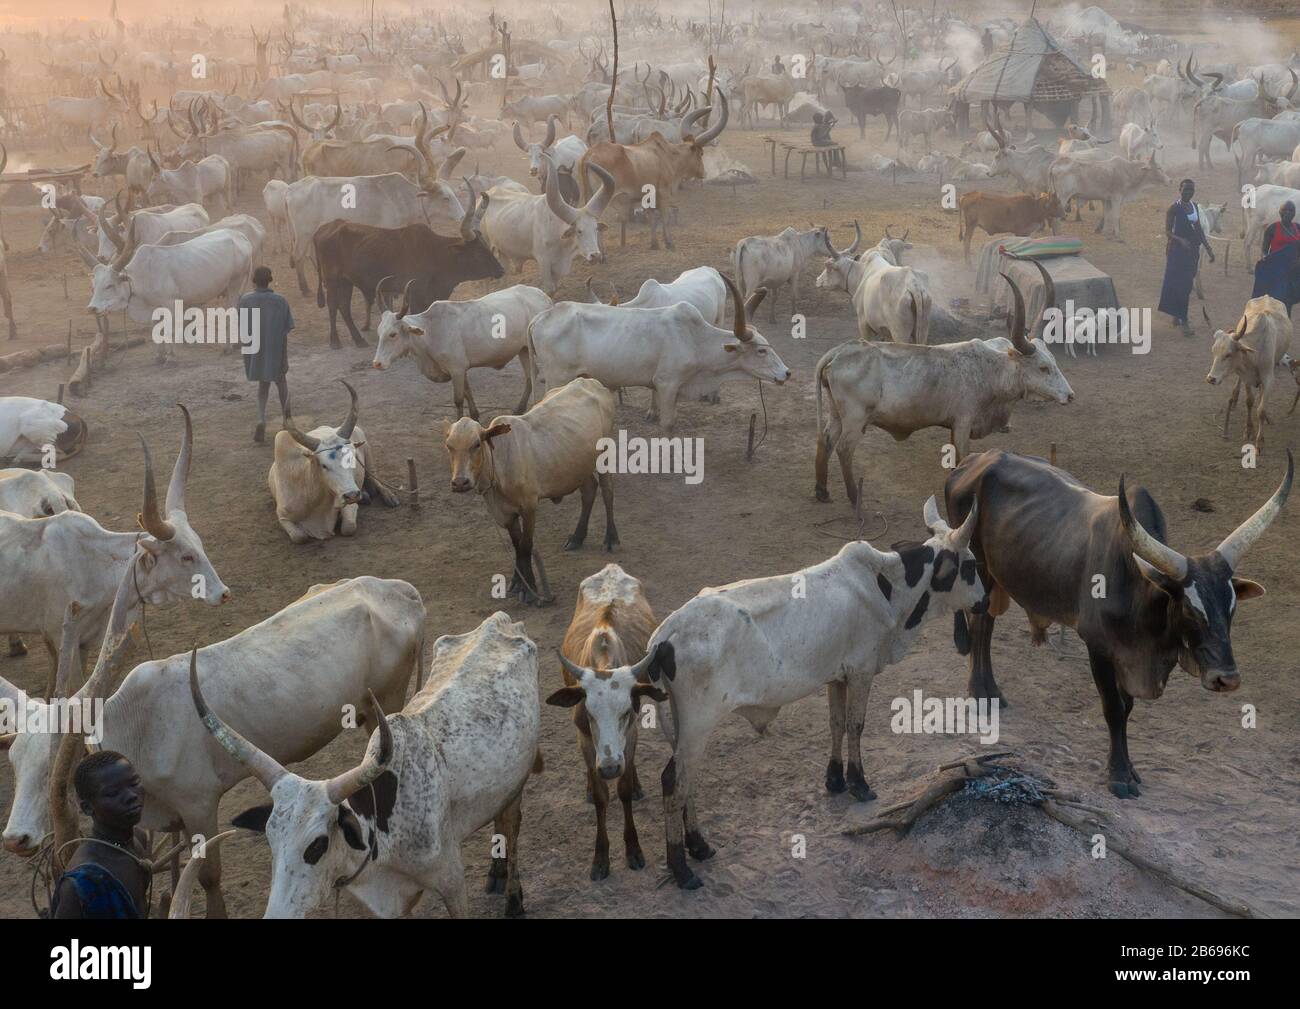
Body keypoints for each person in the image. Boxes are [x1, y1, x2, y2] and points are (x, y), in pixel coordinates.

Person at [50, 751, 148, 919]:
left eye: (134, 783)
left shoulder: (137, 840)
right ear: (88, 808)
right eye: (113, 793)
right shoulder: (83, 882)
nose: (132, 796)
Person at [239, 265, 293, 443]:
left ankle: (261, 419)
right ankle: (287, 419)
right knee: (281, 383)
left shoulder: (245, 300)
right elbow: (288, 327)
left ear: (253, 281)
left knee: (263, 386)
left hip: (257, 350)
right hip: (276, 349)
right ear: (270, 279)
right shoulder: (281, 300)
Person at [1157, 179, 1214, 335]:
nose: (1188, 192)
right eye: (1185, 189)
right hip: (1177, 252)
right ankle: (1184, 321)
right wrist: (1180, 240)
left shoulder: (1194, 207)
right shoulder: (1173, 209)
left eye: (1191, 190)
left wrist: (1208, 249)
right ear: (1179, 189)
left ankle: (1176, 314)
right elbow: (1168, 232)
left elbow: (1199, 230)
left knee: (1185, 285)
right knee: (1182, 285)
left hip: (1192, 252)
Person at [1252, 200, 1300, 315]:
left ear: (1294, 213)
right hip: (1276, 270)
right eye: (1285, 210)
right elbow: (1264, 249)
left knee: (1289, 300)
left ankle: (1285, 323)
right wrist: (1264, 258)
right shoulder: (1272, 228)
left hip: (1293, 270)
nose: (1288, 213)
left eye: (1290, 211)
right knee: (1276, 298)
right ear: (1280, 212)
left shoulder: (1298, 228)